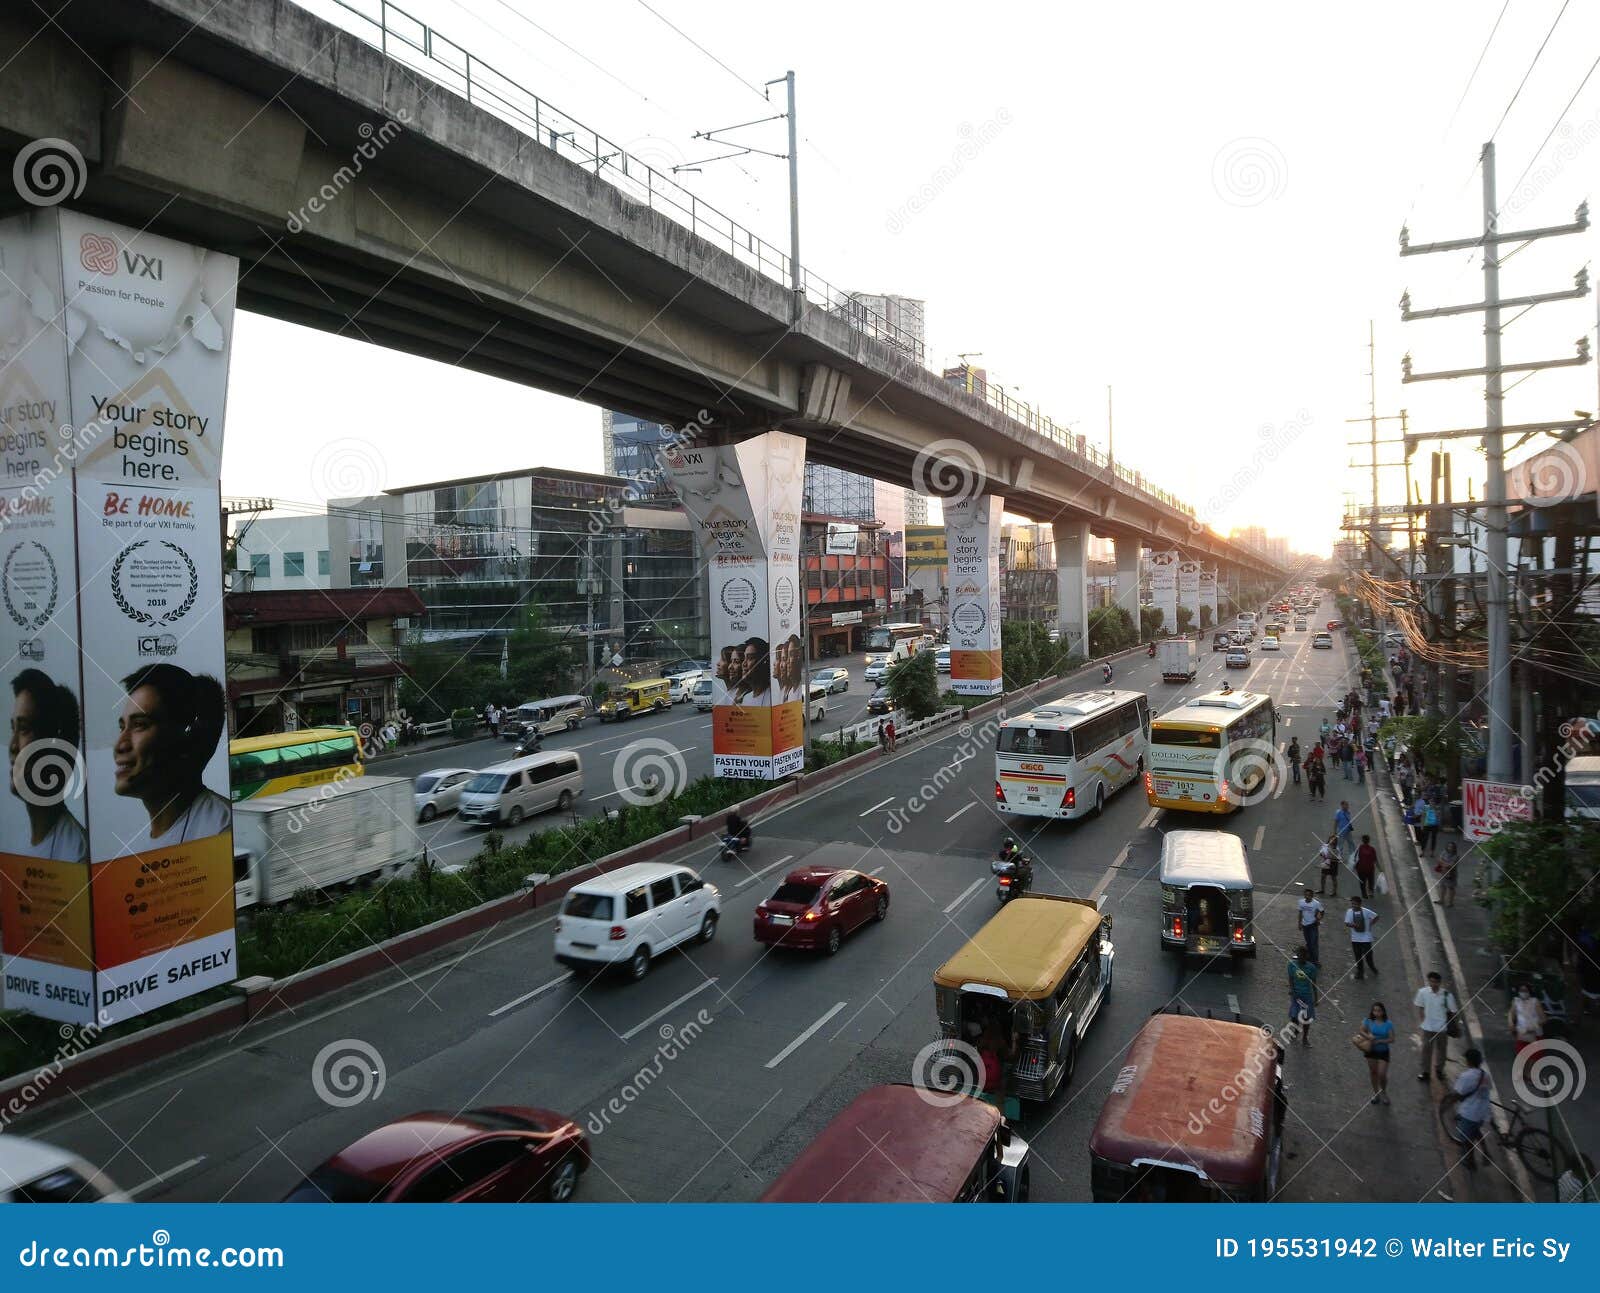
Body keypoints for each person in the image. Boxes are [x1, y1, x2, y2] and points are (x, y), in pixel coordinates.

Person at [113, 664, 231, 849]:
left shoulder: (220, 828)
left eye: (139, 725)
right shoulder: (138, 844)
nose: (120, 745)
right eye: (122, 727)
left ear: (184, 736)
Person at [7, 669, 88, 863]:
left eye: (24, 729)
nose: (12, 746)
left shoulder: (77, 854)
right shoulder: (16, 843)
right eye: (13, 728)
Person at [1447, 1049, 1493, 1172]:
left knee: (1466, 1139)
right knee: (1476, 1131)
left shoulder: (1466, 1076)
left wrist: (1448, 1104)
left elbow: (1457, 1094)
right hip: (1483, 1112)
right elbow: (1488, 1088)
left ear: (1468, 1061)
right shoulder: (1485, 1075)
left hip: (1470, 1113)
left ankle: (1470, 1161)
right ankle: (1486, 1152)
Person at [1413, 971, 1456, 1081]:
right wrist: (1423, 1021)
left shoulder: (1447, 995)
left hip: (1442, 1028)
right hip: (1428, 1027)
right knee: (1426, 1050)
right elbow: (1421, 1008)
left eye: (1435, 982)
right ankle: (1426, 1072)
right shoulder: (1422, 992)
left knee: (1441, 1050)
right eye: (1431, 981)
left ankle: (1439, 1070)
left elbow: (1453, 1011)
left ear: (1439, 982)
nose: (1433, 984)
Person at [1361, 1002, 1395, 1105]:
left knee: (1382, 1074)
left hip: (1383, 1051)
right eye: (1374, 1010)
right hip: (1371, 1050)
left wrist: (1380, 1041)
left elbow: (1392, 1039)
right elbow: (1361, 1031)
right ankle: (1376, 1094)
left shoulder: (1388, 1023)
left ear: (1383, 1012)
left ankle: (1383, 1092)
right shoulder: (1368, 1021)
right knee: (1373, 1072)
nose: (1376, 1013)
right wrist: (1368, 1037)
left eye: (1379, 1011)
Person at [1287, 946, 1319, 1047]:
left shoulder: (1311, 968)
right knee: (1294, 1016)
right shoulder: (1291, 965)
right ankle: (1296, 1030)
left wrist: (1316, 998)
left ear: (1307, 956)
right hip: (1296, 996)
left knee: (1306, 1018)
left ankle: (1305, 1038)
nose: (1301, 958)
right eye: (1300, 955)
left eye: (1304, 956)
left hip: (1307, 997)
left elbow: (1314, 984)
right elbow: (1291, 979)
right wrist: (1292, 990)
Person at [1509, 982, 1548, 1056]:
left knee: (1534, 1059)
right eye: (1521, 990)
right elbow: (1511, 1013)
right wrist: (1511, 1024)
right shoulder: (1516, 1001)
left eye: (1525, 990)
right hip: (1522, 1035)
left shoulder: (1535, 1002)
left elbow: (1544, 1019)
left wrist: (1531, 1027)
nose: (1523, 992)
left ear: (1529, 991)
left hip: (1536, 1035)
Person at [1345, 897, 1380, 980]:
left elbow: (1376, 916)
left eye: (1356, 904)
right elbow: (1347, 923)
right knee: (1358, 956)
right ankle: (1360, 972)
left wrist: (1371, 924)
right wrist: (1354, 925)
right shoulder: (1349, 912)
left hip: (1366, 938)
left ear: (1360, 904)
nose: (1354, 906)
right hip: (1355, 938)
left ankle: (1372, 967)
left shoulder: (1366, 911)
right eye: (1353, 904)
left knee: (1368, 955)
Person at [1297, 886, 1324, 963]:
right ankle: (1309, 957)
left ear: (1312, 896)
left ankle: (1315, 960)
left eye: (1309, 895)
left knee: (1314, 944)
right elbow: (1300, 913)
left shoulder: (1316, 903)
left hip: (1312, 925)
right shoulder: (1301, 902)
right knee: (1308, 942)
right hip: (1305, 925)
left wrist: (1318, 919)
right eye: (1306, 895)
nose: (1307, 897)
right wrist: (1299, 923)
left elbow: (1322, 911)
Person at [1354, 834, 1378, 899]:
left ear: (1363, 840)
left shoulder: (1360, 847)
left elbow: (1355, 857)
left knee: (1362, 882)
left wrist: (1355, 865)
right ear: (1369, 841)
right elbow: (1375, 859)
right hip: (1370, 868)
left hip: (1361, 869)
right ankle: (1370, 892)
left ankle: (1364, 894)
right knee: (1371, 881)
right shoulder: (1372, 849)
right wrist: (1379, 868)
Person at [1438, 841, 1460, 907]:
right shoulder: (1444, 852)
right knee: (1442, 886)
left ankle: (1450, 903)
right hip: (1443, 872)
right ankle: (1441, 900)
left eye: (1451, 847)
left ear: (1454, 848)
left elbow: (1451, 865)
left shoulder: (1456, 856)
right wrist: (1445, 864)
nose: (1450, 848)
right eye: (1449, 846)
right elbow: (1439, 859)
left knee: (1450, 888)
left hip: (1451, 874)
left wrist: (1443, 863)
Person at [1335, 801, 1355, 865]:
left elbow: (1348, 820)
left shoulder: (1348, 812)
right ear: (1342, 805)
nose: (1347, 806)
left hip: (1348, 831)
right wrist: (1334, 831)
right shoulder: (1338, 812)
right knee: (1340, 844)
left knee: (1351, 843)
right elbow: (1335, 822)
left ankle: (1352, 856)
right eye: (1346, 805)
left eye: (1347, 805)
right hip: (1341, 831)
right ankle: (1339, 857)